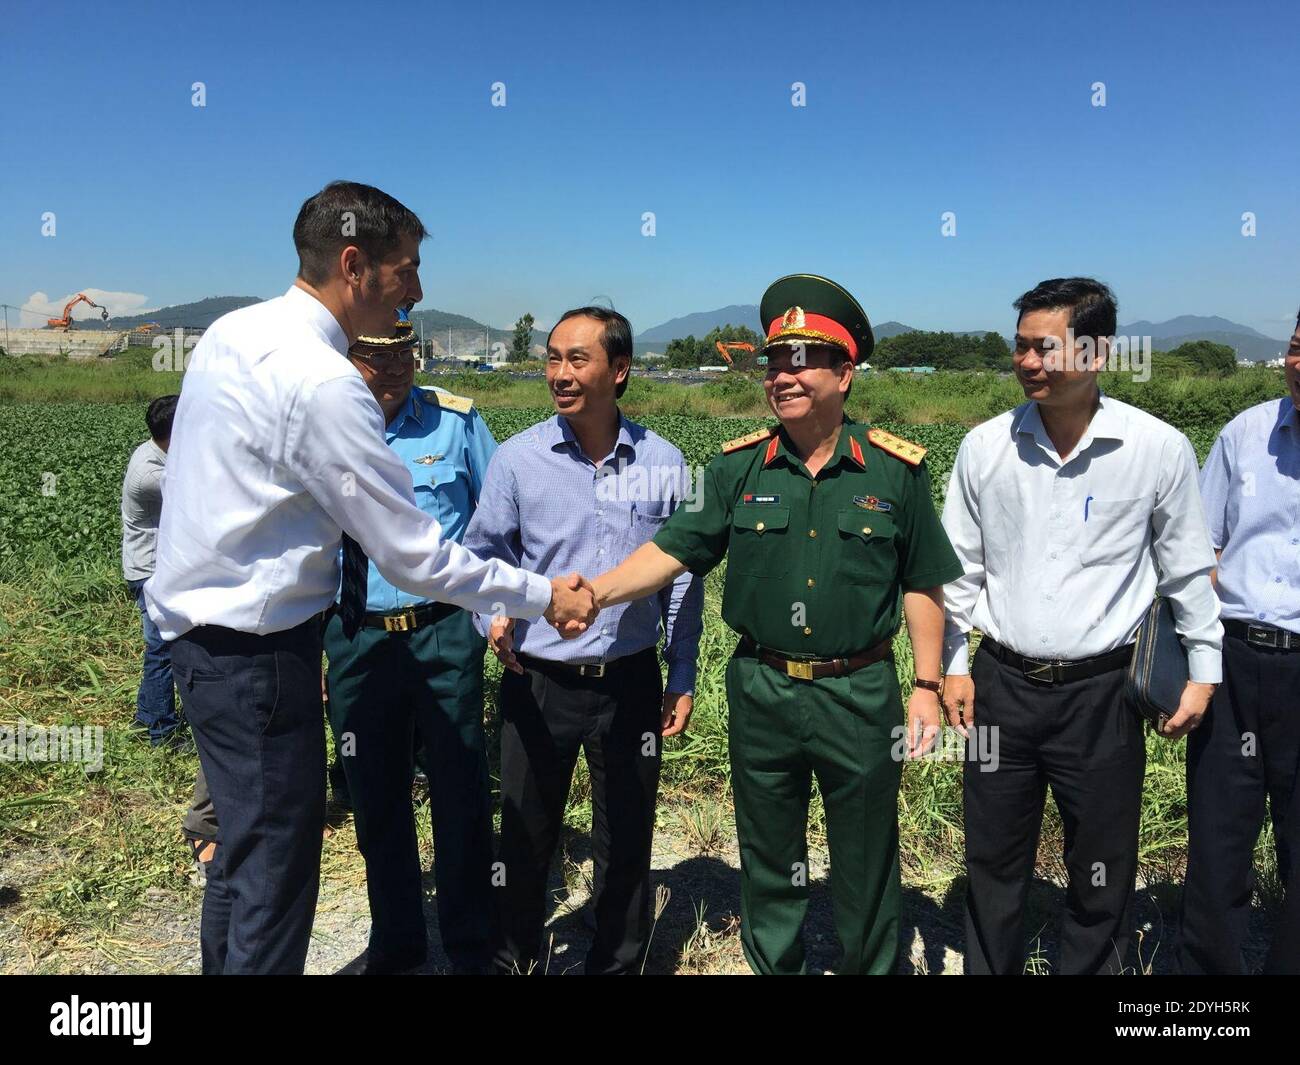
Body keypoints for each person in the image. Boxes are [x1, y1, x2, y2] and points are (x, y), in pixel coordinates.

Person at [145, 181, 597, 976]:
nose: (418, 289)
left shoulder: (229, 334)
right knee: (277, 876)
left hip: (202, 642)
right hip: (260, 656)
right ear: (355, 265)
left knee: (244, 859)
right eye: (408, 268)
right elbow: (412, 554)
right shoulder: (326, 384)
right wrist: (541, 595)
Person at [589, 276, 962, 975]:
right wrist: (598, 592)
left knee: (867, 858)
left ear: (845, 373)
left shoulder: (894, 469)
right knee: (768, 853)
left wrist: (927, 683)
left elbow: (922, 580)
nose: (783, 374)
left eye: (802, 359)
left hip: (860, 690)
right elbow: (672, 549)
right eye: (774, 361)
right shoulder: (736, 468)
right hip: (762, 688)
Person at [939, 277, 1223, 975]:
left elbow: (1187, 569)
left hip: (1103, 695)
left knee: (1101, 866)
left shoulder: (1156, 449)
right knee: (992, 859)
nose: (1028, 362)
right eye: (1020, 347)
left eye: (1045, 347)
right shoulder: (985, 448)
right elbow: (959, 570)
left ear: (1096, 353)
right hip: (1001, 681)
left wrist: (1205, 672)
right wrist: (950, 663)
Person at [462, 305, 703, 975]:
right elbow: (486, 561)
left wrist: (682, 671)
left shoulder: (662, 461)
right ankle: (516, 958)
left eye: (577, 359)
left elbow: (680, 579)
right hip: (539, 680)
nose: (559, 373)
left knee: (626, 836)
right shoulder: (518, 460)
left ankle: (616, 962)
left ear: (618, 370)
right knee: (526, 835)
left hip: (629, 681)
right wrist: (495, 618)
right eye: (552, 358)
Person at [324, 308, 503, 974]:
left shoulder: (457, 423)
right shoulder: (328, 431)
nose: (394, 368)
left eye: (405, 353)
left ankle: (470, 943)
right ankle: (396, 945)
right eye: (377, 356)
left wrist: (493, 616)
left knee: (460, 792)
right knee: (375, 798)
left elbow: (496, 522)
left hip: (443, 634)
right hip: (356, 640)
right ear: (349, 356)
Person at [1178, 309, 1300, 975]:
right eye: (1295, 348)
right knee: (1219, 842)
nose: (1299, 364)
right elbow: (1205, 548)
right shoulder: (1245, 434)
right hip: (1236, 659)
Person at [121, 394, 181, 745]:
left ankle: (147, 717)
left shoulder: (158, 452)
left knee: (160, 647)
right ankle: (159, 730)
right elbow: (196, 491)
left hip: (154, 567)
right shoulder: (151, 474)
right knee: (161, 648)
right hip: (149, 571)